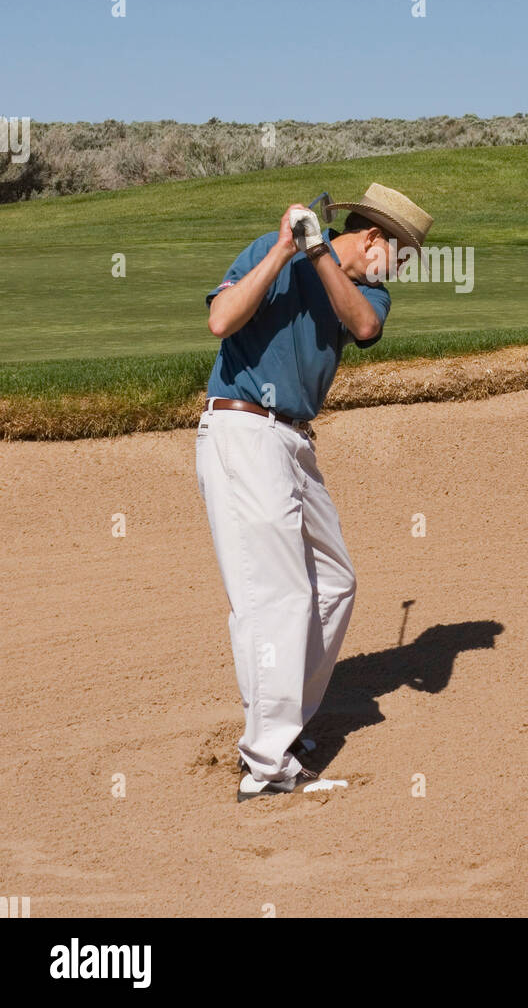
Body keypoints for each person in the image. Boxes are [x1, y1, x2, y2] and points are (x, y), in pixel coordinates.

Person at [195, 183, 433, 802]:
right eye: (401, 257)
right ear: (377, 239)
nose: (401, 272)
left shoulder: (366, 290)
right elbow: (221, 320)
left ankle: (282, 723)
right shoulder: (267, 254)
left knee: (334, 582)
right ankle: (267, 764)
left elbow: (364, 326)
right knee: (278, 594)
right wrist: (281, 250)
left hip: (295, 442)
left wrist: (319, 251)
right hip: (243, 430)